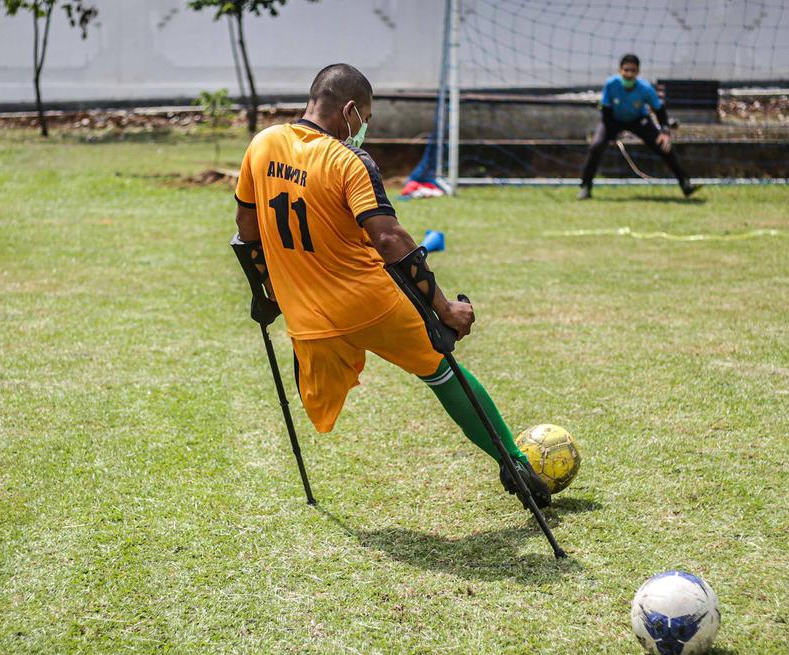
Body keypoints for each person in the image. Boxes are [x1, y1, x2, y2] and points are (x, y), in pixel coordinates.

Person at [232, 63, 550, 507]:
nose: (362, 128)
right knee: (441, 371)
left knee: (324, 398)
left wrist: (264, 289)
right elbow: (389, 238)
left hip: (307, 319)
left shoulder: (262, 144)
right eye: (364, 117)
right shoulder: (348, 160)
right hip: (371, 304)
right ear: (349, 111)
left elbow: (247, 229)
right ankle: (513, 461)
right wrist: (444, 309)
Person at [578, 54, 698, 200]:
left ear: (638, 72)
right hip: (612, 120)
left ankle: (685, 184)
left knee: (664, 146)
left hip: (638, 120)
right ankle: (585, 187)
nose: (629, 74)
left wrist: (665, 131)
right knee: (596, 146)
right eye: (626, 70)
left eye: (632, 70)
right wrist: (612, 133)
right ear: (620, 71)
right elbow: (606, 111)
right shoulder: (611, 84)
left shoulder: (645, 88)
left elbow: (659, 110)